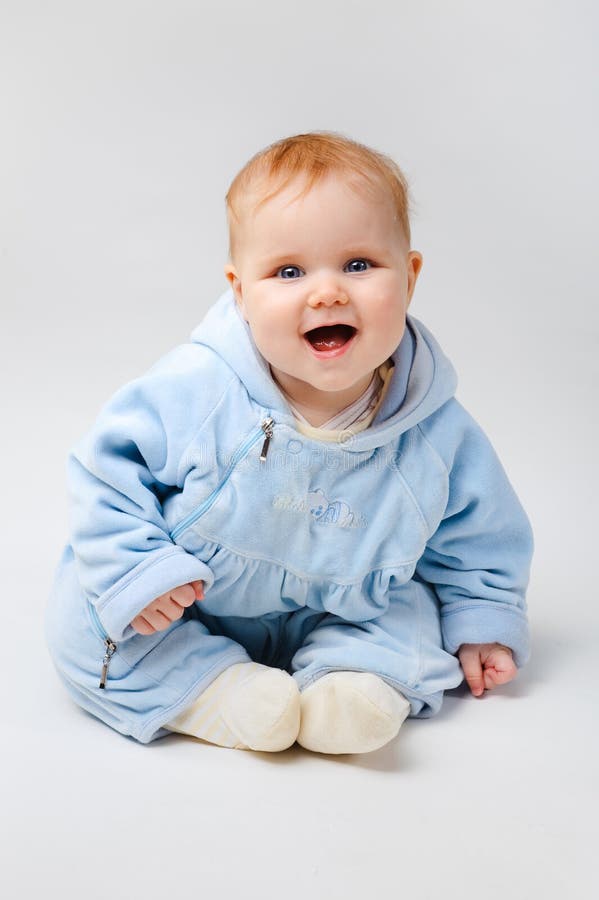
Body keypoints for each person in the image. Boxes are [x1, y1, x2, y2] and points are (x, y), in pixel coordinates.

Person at [45, 131, 534, 754]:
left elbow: (480, 536)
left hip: (345, 603)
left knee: (414, 618)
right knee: (85, 618)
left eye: (358, 265)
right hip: (192, 598)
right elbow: (105, 473)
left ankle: (350, 688)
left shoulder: (433, 430)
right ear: (241, 292)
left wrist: (483, 621)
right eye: (288, 271)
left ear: (409, 278)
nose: (326, 291)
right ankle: (214, 691)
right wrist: (139, 571)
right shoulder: (199, 387)